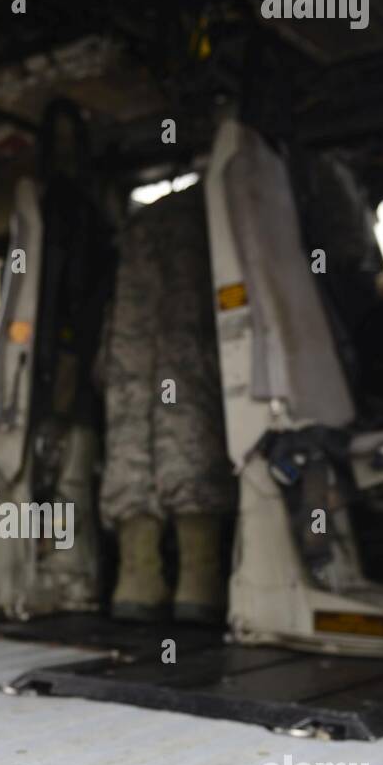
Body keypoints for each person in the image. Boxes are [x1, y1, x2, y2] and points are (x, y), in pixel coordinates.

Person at [99, 180, 234, 622]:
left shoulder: (140, 227)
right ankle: (199, 581)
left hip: (131, 343)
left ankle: (137, 578)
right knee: (191, 423)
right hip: (189, 335)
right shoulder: (217, 206)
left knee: (132, 429)